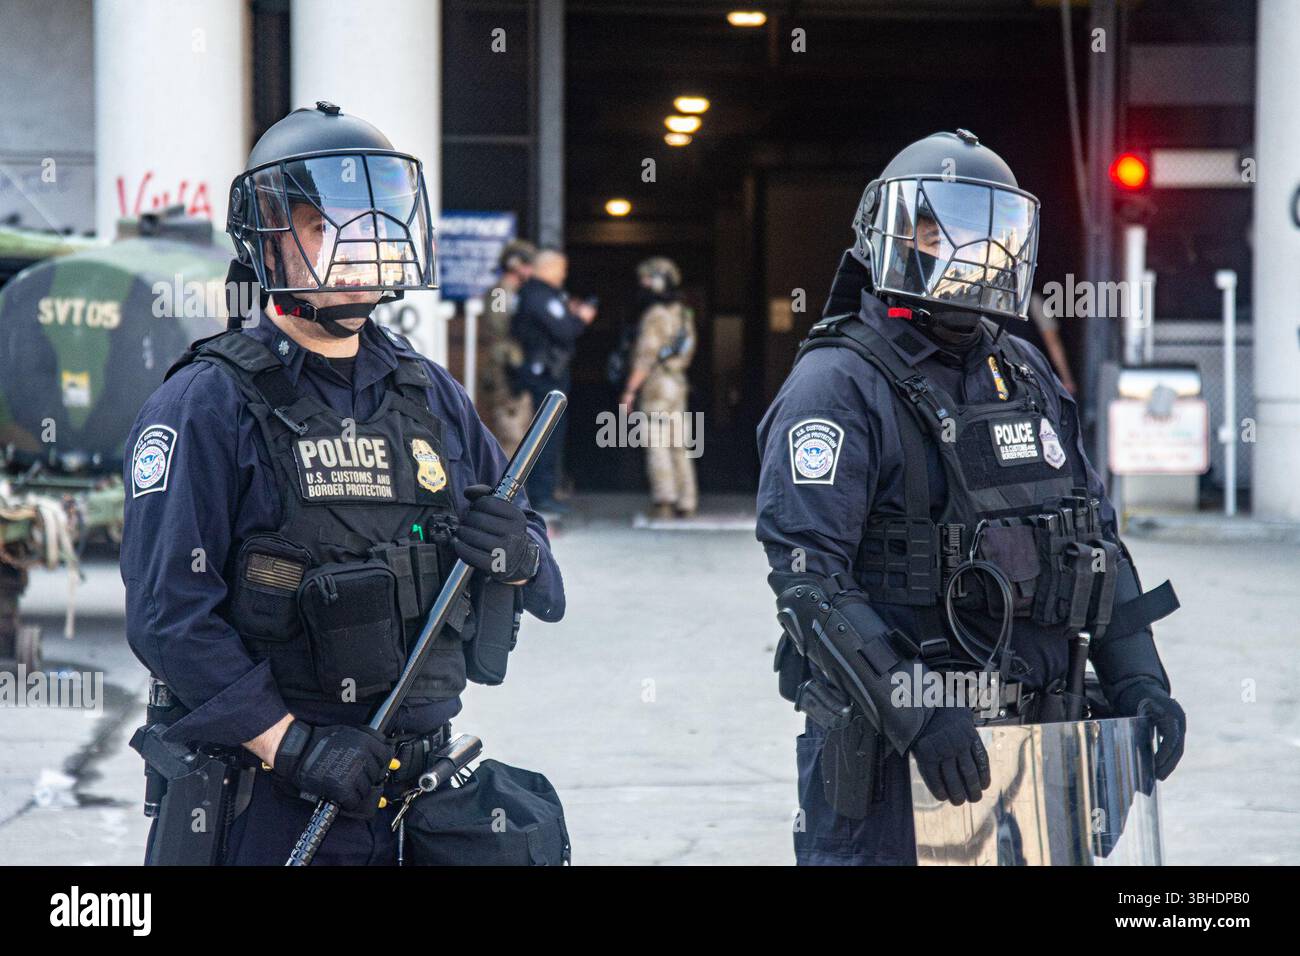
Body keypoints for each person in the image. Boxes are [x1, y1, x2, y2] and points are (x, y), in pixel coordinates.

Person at [121, 102, 567, 865]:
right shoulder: (207, 402)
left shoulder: (430, 395)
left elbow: (545, 584)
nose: (353, 248)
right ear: (272, 241)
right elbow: (169, 617)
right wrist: (290, 747)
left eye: (366, 224)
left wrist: (515, 552)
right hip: (277, 796)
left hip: (420, 789)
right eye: (323, 227)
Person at [755, 130, 1186, 866]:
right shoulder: (837, 384)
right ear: (891, 238)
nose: (968, 252)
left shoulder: (1022, 371)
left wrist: (1140, 680)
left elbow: (1097, 543)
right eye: (938, 229)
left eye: (989, 234)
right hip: (898, 771)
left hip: (1044, 763)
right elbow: (807, 578)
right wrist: (919, 714)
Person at [511, 248, 596, 511]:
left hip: (550, 374)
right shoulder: (539, 296)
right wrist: (580, 318)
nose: (564, 275)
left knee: (550, 435)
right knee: (545, 435)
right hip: (544, 377)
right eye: (561, 269)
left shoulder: (545, 295)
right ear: (548, 268)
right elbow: (565, 331)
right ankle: (540, 496)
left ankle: (545, 492)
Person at [620, 257, 697, 519]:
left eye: (648, 279)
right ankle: (686, 501)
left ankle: (664, 500)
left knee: (657, 443)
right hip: (678, 382)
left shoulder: (655, 315)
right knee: (680, 444)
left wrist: (630, 390)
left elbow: (646, 356)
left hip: (657, 385)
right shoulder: (684, 313)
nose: (644, 284)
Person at [479, 239, 537, 454]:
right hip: (505, 370)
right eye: (528, 264)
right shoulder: (500, 293)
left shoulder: (519, 293)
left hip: (518, 368)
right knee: (511, 435)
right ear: (515, 264)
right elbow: (498, 327)